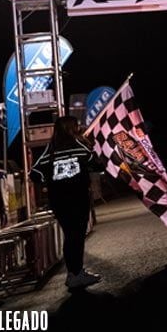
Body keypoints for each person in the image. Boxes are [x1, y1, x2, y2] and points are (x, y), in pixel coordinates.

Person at [30, 116, 103, 290]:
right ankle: (76, 274)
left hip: (59, 201)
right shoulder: (80, 146)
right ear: (72, 128)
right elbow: (98, 165)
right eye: (77, 125)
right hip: (78, 198)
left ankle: (74, 273)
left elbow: (34, 173)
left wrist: (50, 181)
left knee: (70, 235)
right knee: (76, 236)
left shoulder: (50, 150)